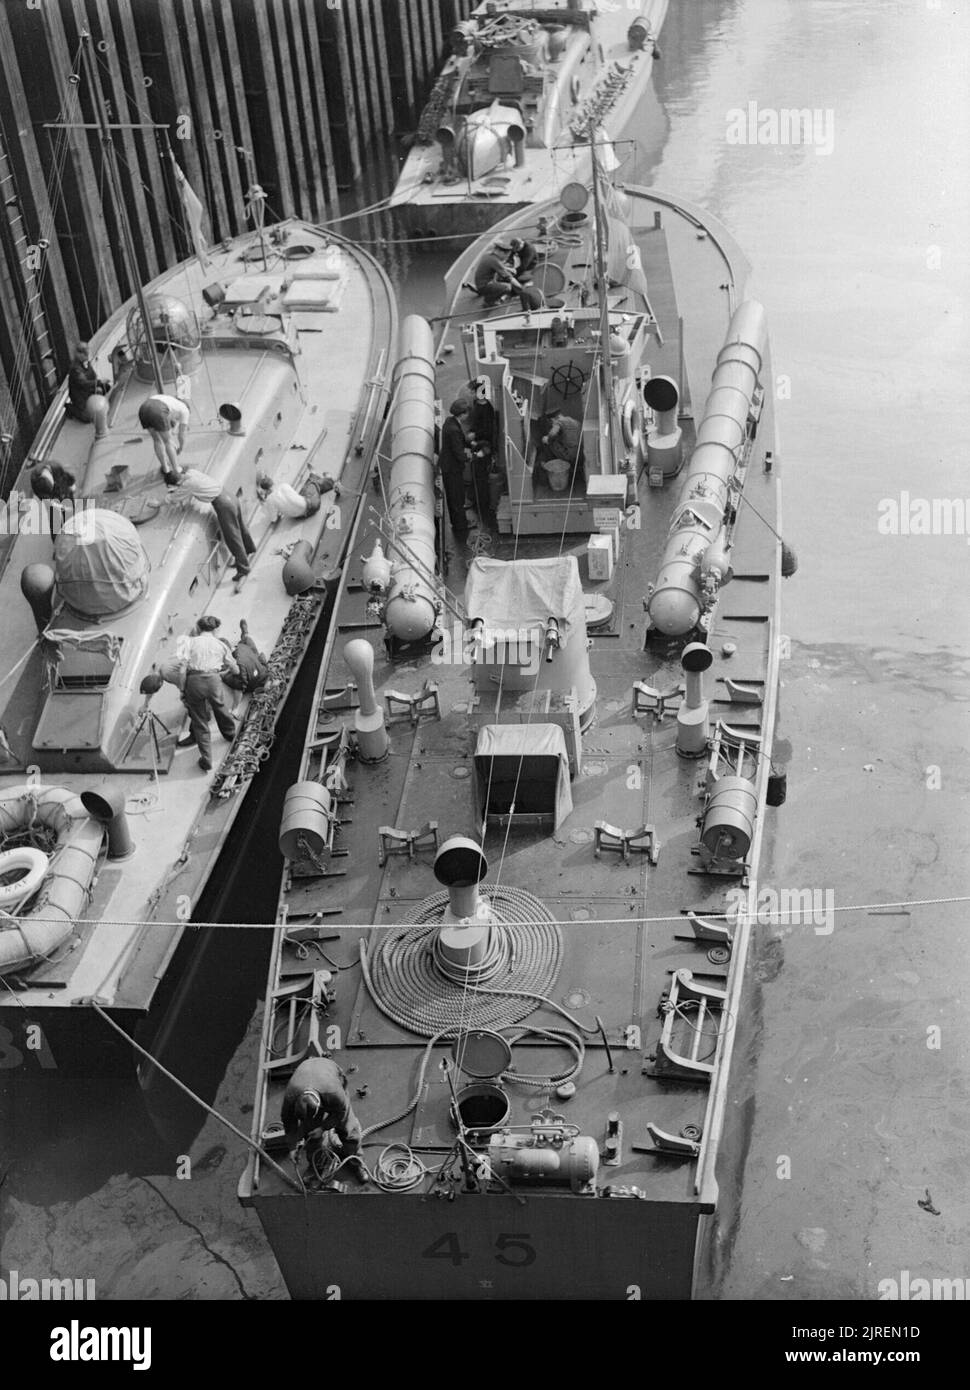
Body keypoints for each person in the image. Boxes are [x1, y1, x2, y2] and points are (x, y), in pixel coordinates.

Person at [167, 468, 256, 582]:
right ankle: (249, 549)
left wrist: (159, 503)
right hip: (229, 496)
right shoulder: (191, 472)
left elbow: (174, 498)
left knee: (232, 537)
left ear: (177, 483)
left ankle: (244, 568)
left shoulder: (188, 484)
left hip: (223, 505)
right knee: (241, 527)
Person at [176, 615, 239, 771]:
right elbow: (235, 669)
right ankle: (231, 734)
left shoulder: (188, 643)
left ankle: (206, 760)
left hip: (194, 682)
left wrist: (183, 689)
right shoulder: (220, 645)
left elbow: (182, 671)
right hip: (213, 680)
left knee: (199, 720)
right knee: (220, 707)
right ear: (215, 629)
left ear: (198, 628)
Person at [281, 1056, 362, 1170]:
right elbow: (288, 1121)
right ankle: (317, 1164)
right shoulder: (291, 1096)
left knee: (347, 1127)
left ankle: (355, 1161)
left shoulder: (334, 1093)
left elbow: (340, 1112)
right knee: (310, 1131)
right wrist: (292, 1146)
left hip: (329, 1072)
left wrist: (323, 1128)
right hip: (308, 1071)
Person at [437, 399, 471, 541]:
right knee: (457, 497)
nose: (467, 415)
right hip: (452, 469)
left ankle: (456, 522)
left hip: (447, 466)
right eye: (466, 413)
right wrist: (470, 456)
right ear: (462, 414)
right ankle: (461, 526)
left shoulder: (449, 422)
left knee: (453, 496)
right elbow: (459, 454)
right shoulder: (454, 430)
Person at [138, 393, 190, 485]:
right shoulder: (185, 410)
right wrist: (181, 447)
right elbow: (181, 434)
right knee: (168, 442)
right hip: (158, 410)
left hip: (143, 408)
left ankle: (165, 468)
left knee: (156, 439)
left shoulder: (171, 401)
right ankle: (176, 470)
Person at [255, 470, 337, 523]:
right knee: (312, 484)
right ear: (273, 482)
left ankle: (314, 476)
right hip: (312, 504)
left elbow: (274, 519)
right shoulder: (284, 486)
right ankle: (328, 480)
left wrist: (272, 508)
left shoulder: (269, 500)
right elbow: (296, 496)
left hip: (301, 515)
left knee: (308, 489)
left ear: (265, 490)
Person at [65, 343, 109, 438]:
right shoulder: (75, 369)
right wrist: (99, 381)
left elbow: (92, 375)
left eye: (87, 354)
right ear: (79, 354)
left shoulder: (86, 363)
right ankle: (70, 408)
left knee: (104, 389)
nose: (87, 356)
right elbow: (83, 383)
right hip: (80, 396)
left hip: (88, 391)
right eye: (85, 354)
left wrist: (99, 382)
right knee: (89, 418)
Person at [537, 410, 584, 489]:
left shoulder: (559, 422)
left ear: (552, 419)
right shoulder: (573, 421)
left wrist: (547, 439)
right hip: (581, 454)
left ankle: (549, 467)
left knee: (547, 442)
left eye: (551, 422)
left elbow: (553, 433)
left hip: (570, 455)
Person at [221, 619, 268, 694]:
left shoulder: (240, 682)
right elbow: (262, 660)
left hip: (239, 661)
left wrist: (224, 674)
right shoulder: (266, 673)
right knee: (248, 641)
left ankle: (230, 648)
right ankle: (245, 635)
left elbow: (227, 678)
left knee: (224, 642)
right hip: (248, 660)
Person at [473, 240, 523, 306]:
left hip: (481, 282)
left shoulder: (489, 255)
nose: (506, 258)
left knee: (505, 276)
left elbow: (496, 266)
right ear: (501, 252)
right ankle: (488, 301)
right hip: (484, 285)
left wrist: (508, 269)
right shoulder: (494, 260)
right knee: (507, 287)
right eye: (506, 256)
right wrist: (521, 288)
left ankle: (488, 294)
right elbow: (509, 277)